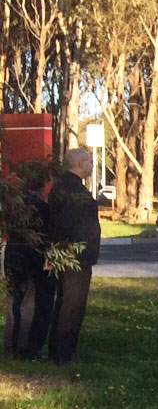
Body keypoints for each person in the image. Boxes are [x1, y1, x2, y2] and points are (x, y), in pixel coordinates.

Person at [43, 147, 100, 363]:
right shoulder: (71, 190)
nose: (92, 165)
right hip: (74, 256)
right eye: (89, 162)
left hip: (67, 254)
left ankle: (58, 351)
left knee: (65, 302)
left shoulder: (64, 187)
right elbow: (67, 224)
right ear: (79, 164)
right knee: (73, 305)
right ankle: (64, 354)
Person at [4, 163, 51, 357]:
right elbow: (47, 231)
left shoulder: (14, 204)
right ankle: (25, 346)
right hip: (33, 255)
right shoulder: (41, 206)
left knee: (13, 299)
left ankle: (10, 343)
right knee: (29, 301)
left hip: (13, 251)